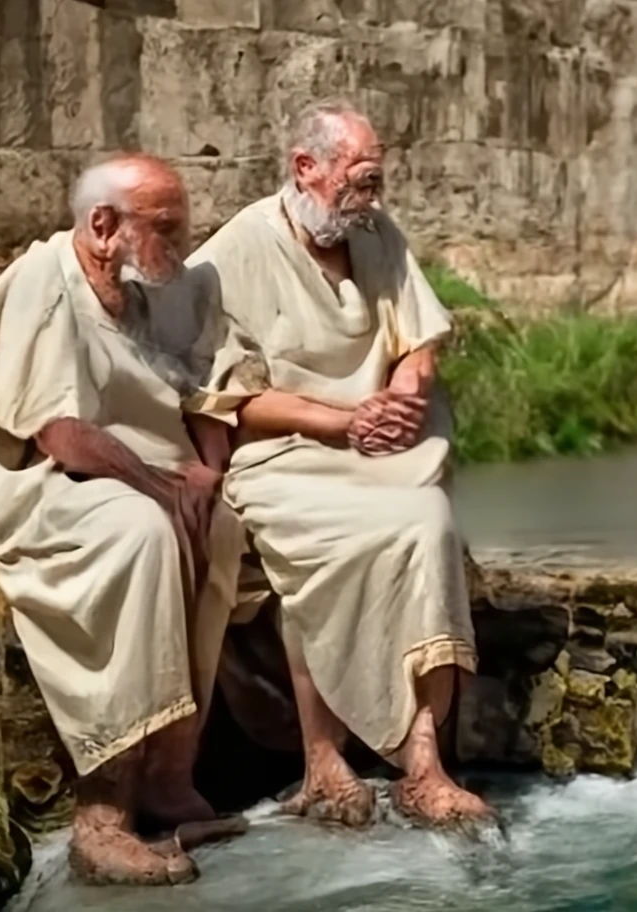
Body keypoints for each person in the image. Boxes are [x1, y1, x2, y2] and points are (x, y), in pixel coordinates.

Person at [185, 101, 491, 827]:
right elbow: (228, 402)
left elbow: (420, 338)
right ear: (305, 169)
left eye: (376, 181)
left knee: (428, 525)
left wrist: (405, 393)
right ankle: (322, 761)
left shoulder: (376, 234)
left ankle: (424, 763)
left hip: (385, 448)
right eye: (359, 182)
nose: (371, 199)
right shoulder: (230, 257)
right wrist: (341, 420)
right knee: (326, 557)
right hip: (286, 457)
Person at [0, 154, 245, 885]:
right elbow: (59, 433)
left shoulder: (140, 294)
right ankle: (103, 814)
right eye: (166, 229)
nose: (181, 246)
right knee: (141, 534)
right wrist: (160, 489)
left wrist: (200, 477)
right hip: (29, 486)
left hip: (119, 478)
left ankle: (170, 776)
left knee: (221, 527)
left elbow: (196, 391)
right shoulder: (41, 281)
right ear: (103, 225)